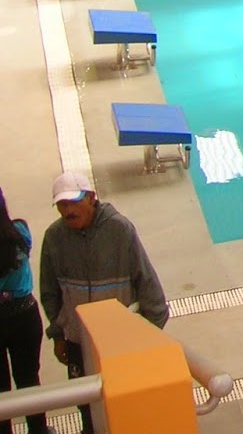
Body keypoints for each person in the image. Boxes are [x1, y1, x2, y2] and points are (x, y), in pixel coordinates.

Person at [39, 172, 168, 434]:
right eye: (62, 204)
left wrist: (150, 336)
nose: (68, 210)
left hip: (119, 344)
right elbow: (49, 292)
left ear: (91, 198)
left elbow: (147, 283)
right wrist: (59, 335)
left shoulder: (119, 230)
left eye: (74, 202)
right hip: (78, 342)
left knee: (124, 404)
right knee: (86, 406)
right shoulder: (54, 237)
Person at [0, 187, 46, 434]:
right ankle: (39, 430)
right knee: (29, 380)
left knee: (0, 390)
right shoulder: (20, 231)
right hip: (25, 316)